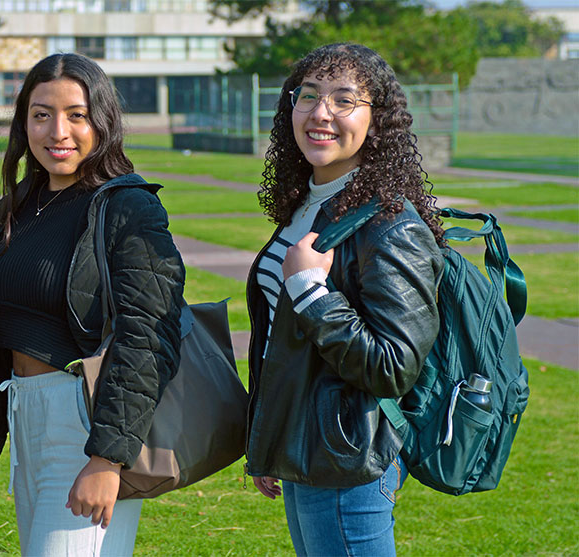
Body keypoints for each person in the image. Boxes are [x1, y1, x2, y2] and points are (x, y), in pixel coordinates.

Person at [0, 52, 185, 555]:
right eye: (41, 115)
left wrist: (108, 457)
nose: (57, 131)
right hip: (24, 415)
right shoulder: (14, 208)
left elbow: (148, 337)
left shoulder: (128, 207)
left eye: (76, 115)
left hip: (86, 421)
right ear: (24, 123)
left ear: (101, 122)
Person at [243, 43, 446, 556]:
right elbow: (285, 346)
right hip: (308, 446)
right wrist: (268, 439)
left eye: (344, 100)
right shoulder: (310, 204)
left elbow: (393, 366)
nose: (320, 113)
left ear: (378, 120)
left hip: (347, 458)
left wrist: (311, 292)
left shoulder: (390, 225)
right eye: (307, 95)